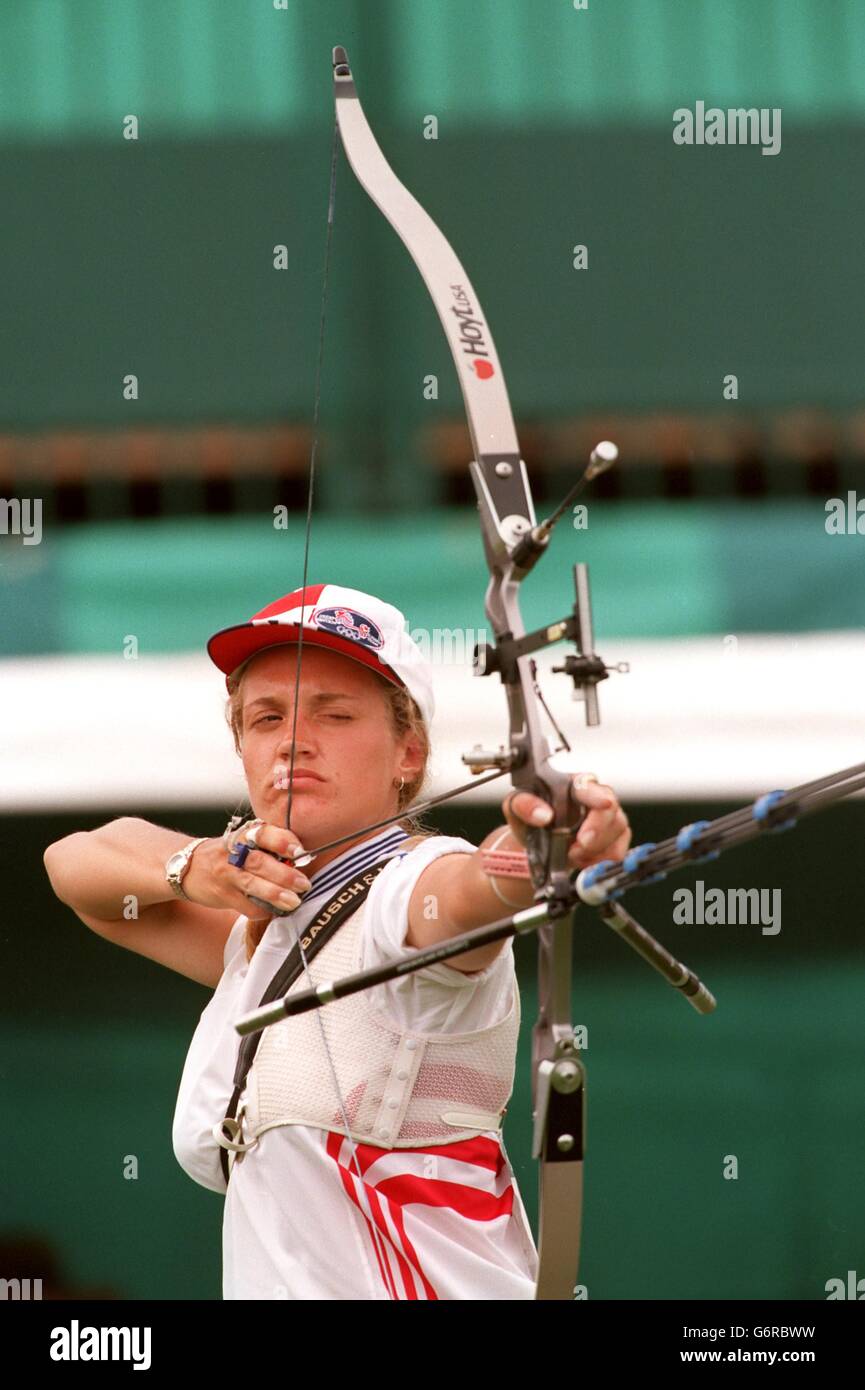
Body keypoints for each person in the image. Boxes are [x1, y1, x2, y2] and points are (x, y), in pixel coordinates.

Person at [44, 582, 631, 1300]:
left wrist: (538, 846)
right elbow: (77, 862)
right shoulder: (264, 932)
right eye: (266, 718)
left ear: (407, 753)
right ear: (243, 749)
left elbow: (468, 894)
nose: (293, 739)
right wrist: (195, 868)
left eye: (335, 713)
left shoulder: (404, 891)